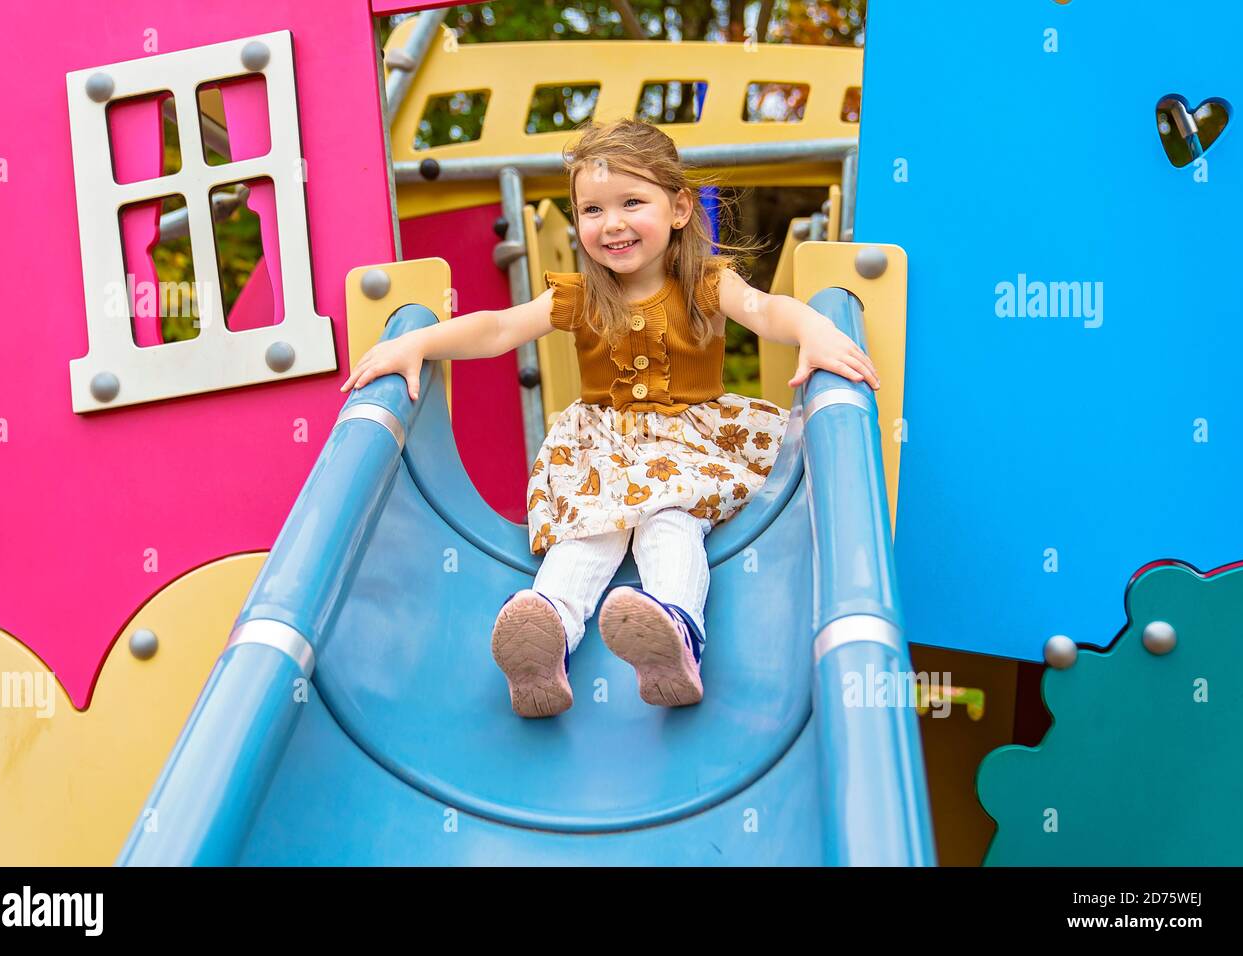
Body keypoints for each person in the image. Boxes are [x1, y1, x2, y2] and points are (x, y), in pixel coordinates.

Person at [342, 117, 879, 718]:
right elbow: (497, 328)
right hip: (603, 448)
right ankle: (545, 638)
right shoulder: (577, 295)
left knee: (669, 521)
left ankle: (675, 631)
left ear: (678, 207)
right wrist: (418, 344)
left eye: (632, 202)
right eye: (593, 209)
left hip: (687, 444)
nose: (613, 223)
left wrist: (812, 328)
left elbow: (766, 310)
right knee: (586, 536)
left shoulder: (702, 282)